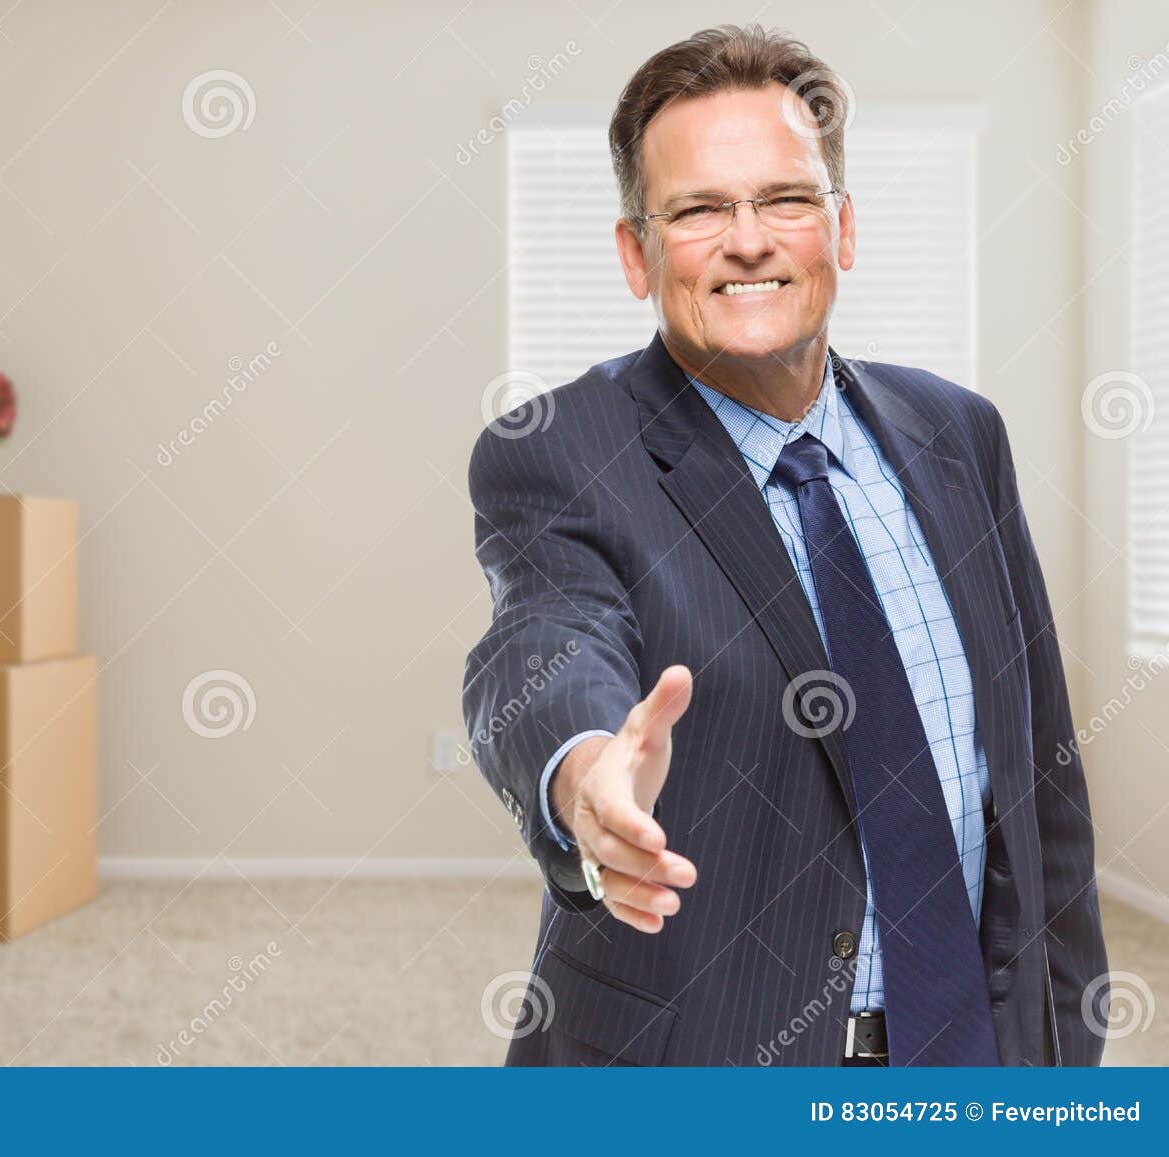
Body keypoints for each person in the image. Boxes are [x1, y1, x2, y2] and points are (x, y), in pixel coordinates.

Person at [461, 23, 1108, 1066]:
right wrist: (585, 777)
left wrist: (1065, 1030)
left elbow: (1038, 766)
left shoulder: (958, 433)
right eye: (699, 209)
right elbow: (545, 638)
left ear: (840, 228)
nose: (748, 239)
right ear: (637, 251)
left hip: (975, 1049)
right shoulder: (558, 452)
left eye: (784, 199)